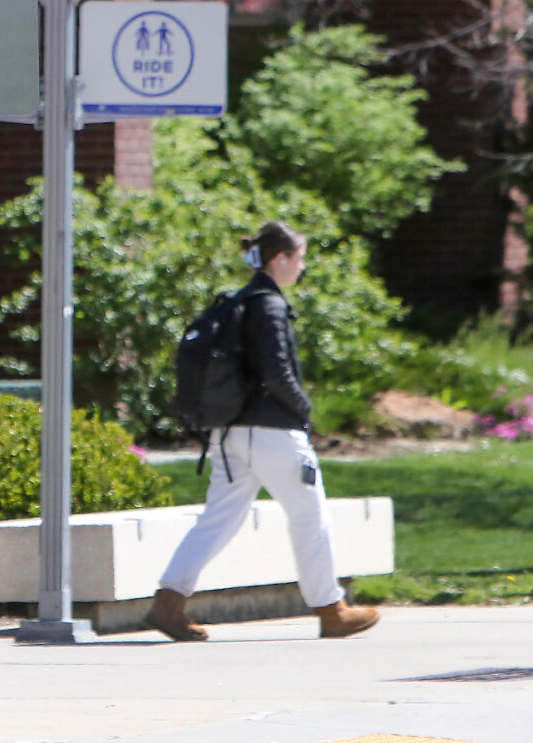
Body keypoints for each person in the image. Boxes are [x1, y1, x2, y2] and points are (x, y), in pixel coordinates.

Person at [144, 220, 380, 642]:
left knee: (218, 520)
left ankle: (169, 602)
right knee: (310, 517)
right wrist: (304, 409)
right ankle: (332, 611)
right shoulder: (269, 305)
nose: (302, 266)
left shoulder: (240, 301)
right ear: (280, 258)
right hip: (272, 432)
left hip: (229, 433)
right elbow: (277, 371)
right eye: (300, 258)